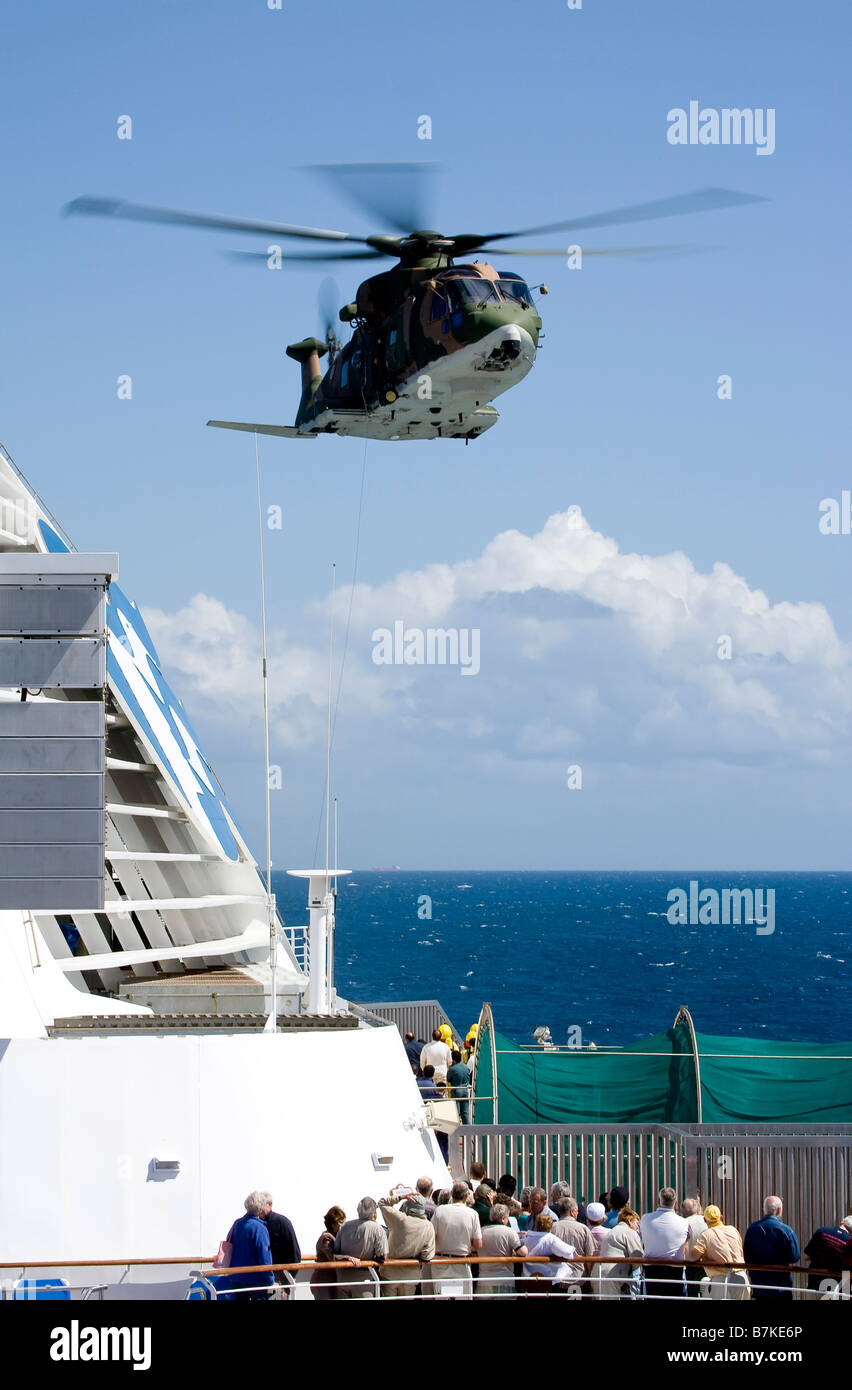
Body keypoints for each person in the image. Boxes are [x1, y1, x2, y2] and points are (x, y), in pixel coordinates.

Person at [378, 1188, 436, 1298]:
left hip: (390, 1273)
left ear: (409, 1208)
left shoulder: (401, 1219)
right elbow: (427, 1255)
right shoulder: (428, 1226)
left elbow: (382, 1203)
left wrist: (401, 1197)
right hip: (410, 1275)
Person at [430, 1180, 482, 1299]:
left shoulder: (440, 1210)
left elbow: (431, 1235)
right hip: (461, 1264)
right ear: (466, 1196)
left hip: (440, 1262)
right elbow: (478, 1244)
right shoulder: (472, 1214)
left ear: (452, 1194)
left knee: (441, 1297)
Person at [744, 1196, 801, 1300]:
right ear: (779, 1210)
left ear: (764, 1210)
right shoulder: (786, 1231)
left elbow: (747, 1257)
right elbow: (795, 1257)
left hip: (759, 1287)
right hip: (781, 1288)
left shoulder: (752, 1230)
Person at [224, 1191, 275, 1300]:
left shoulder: (238, 1224)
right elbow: (264, 1256)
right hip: (255, 1282)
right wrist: (271, 1280)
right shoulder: (259, 1228)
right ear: (261, 1207)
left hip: (237, 1277)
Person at [333, 1197, 388, 1299]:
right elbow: (382, 1256)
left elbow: (335, 1253)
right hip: (364, 1279)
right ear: (374, 1212)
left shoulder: (345, 1226)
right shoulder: (378, 1229)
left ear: (358, 1210)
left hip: (343, 1278)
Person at [692, 1205, 750, 1300]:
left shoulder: (706, 1234)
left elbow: (693, 1257)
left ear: (704, 1220)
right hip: (741, 1278)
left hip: (721, 1280)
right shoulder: (733, 1230)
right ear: (721, 1217)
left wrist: (703, 1258)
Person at [639, 1187, 689, 1298]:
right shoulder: (684, 1222)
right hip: (676, 1272)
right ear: (676, 1203)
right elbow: (686, 1244)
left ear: (658, 1202)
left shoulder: (645, 1219)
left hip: (651, 1271)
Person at [477, 1199, 527, 1298]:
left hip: (484, 1280)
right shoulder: (509, 1232)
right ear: (503, 1218)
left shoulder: (481, 1232)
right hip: (505, 1280)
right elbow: (522, 1252)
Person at [521, 1214, 577, 1295]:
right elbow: (567, 1253)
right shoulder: (551, 1239)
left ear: (536, 1225)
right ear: (551, 1226)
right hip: (548, 1278)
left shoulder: (527, 1237)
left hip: (528, 1276)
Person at [598, 1207, 644, 1300]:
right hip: (616, 1277)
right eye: (636, 1223)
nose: (637, 1227)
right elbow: (638, 1258)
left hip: (599, 1274)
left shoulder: (612, 1231)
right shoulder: (630, 1232)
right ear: (630, 1221)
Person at [552, 1197, 595, 1290]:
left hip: (557, 1280)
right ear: (572, 1212)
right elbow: (590, 1257)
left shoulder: (552, 1228)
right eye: (577, 1211)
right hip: (578, 1279)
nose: (578, 1213)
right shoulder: (583, 1229)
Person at [803, 1214, 852, 1295]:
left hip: (815, 1283)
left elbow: (806, 1256)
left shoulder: (822, 1231)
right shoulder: (849, 1242)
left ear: (842, 1221)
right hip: (837, 1288)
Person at [311, 1205, 346, 1301]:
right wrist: (349, 1258)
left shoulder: (337, 1236)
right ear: (332, 1224)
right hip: (323, 1282)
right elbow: (333, 1257)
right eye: (340, 1223)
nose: (343, 1226)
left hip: (333, 1281)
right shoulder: (326, 1238)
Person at [265, 1204, 301, 1291]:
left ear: (269, 1204)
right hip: (265, 1274)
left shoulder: (281, 1222)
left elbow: (294, 1249)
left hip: (281, 1275)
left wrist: (292, 1275)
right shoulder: (258, 1223)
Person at [682, 1197, 707, 1297]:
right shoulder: (705, 1221)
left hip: (689, 1265)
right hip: (705, 1263)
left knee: (691, 1293)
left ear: (682, 1211)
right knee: (705, 1292)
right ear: (697, 1209)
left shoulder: (682, 1223)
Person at [446, 1050, 472, 1125]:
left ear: (453, 1059)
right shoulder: (466, 1067)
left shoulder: (453, 1069)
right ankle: (468, 1131)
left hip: (456, 1091)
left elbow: (448, 1079)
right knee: (465, 1113)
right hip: (465, 1090)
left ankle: (457, 1130)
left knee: (456, 1113)